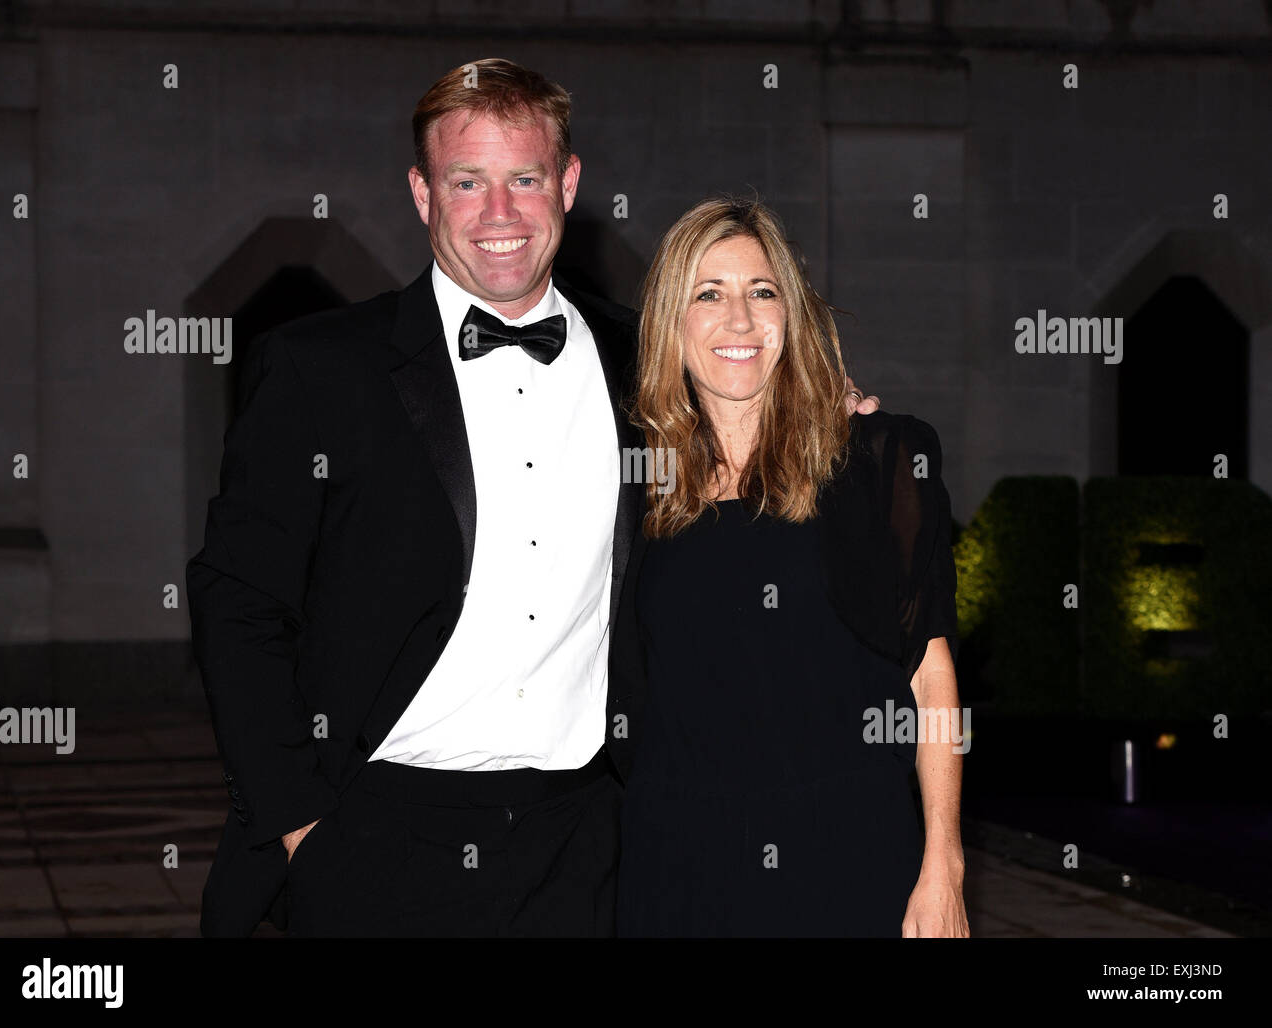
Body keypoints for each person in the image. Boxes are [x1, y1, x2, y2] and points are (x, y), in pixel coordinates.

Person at [187, 58, 878, 938]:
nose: (500, 213)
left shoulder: (648, 363)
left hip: (584, 844)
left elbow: (755, 416)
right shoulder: (320, 371)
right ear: (422, 193)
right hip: (372, 836)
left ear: (569, 184)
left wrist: (839, 416)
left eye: (525, 178)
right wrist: (299, 828)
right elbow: (237, 602)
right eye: (466, 181)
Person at [611, 197, 968, 937]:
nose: (738, 321)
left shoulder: (881, 462)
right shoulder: (632, 484)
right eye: (707, 293)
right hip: (673, 866)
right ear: (668, 324)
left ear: (792, 318)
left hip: (848, 858)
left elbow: (931, 674)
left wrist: (944, 866)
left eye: (762, 292)